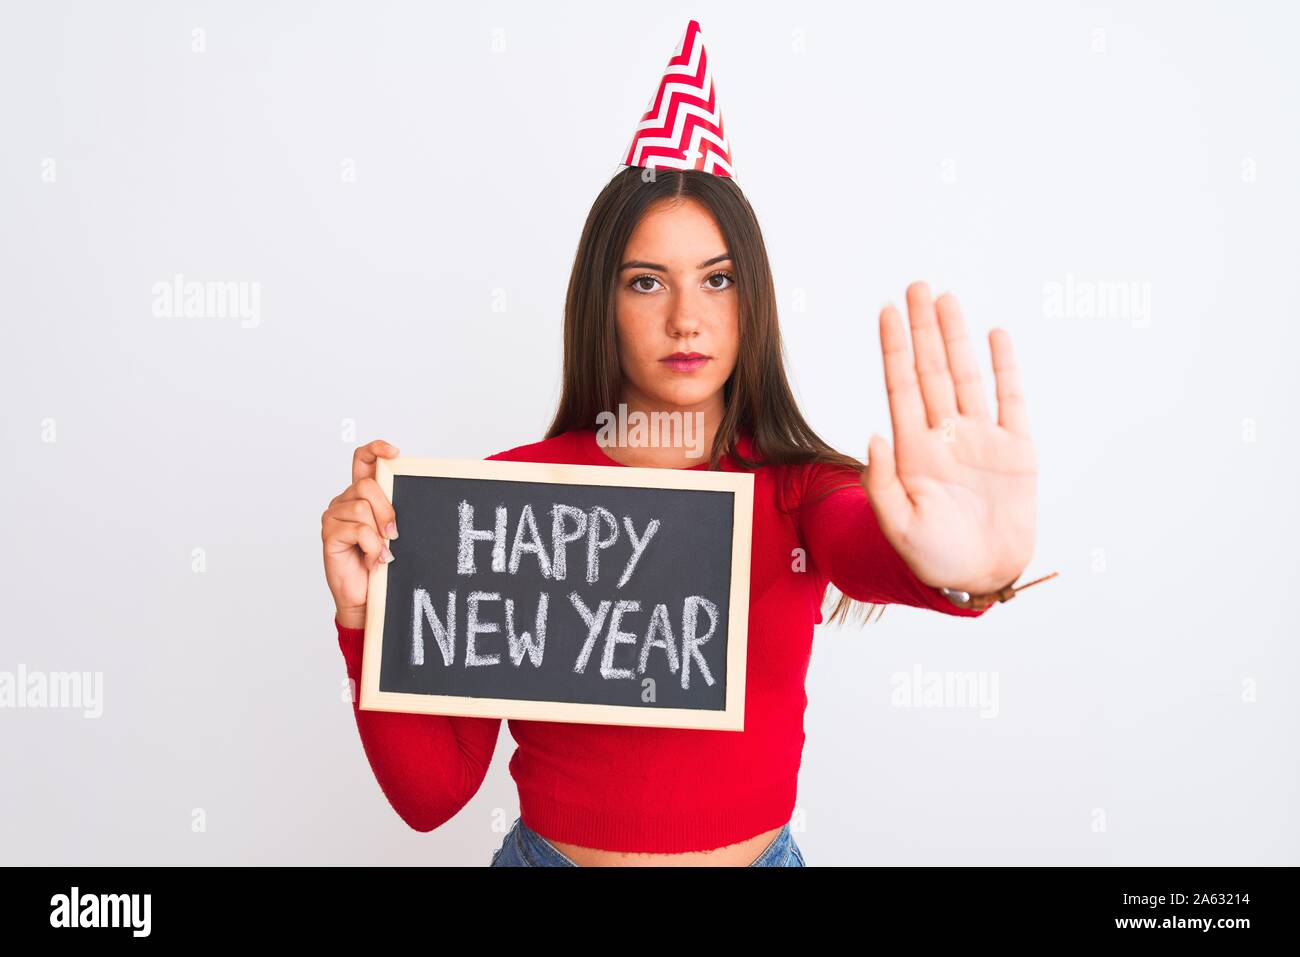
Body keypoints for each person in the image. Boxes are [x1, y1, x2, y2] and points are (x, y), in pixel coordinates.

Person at [320, 21, 1040, 867]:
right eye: (647, 280)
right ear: (603, 301)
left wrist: (971, 571)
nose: (686, 317)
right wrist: (366, 620)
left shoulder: (802, 490)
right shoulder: (504, 504)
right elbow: (431, 799)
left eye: (718, 278)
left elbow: (865, 542)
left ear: (751, 301)